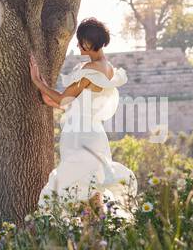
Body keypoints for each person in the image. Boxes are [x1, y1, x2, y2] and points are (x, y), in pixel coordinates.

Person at [30, 17, 137, 217]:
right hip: (95, 134)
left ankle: (78, 237)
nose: (78, 45)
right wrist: (47, 94)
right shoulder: (108, 68)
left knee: (75, 188)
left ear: (89, 43)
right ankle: (98, 237)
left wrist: (37, 81)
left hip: (79, 135)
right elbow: (74, 104)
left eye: (80, 42)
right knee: (93, 191)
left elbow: (63, 100)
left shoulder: (89, 71)